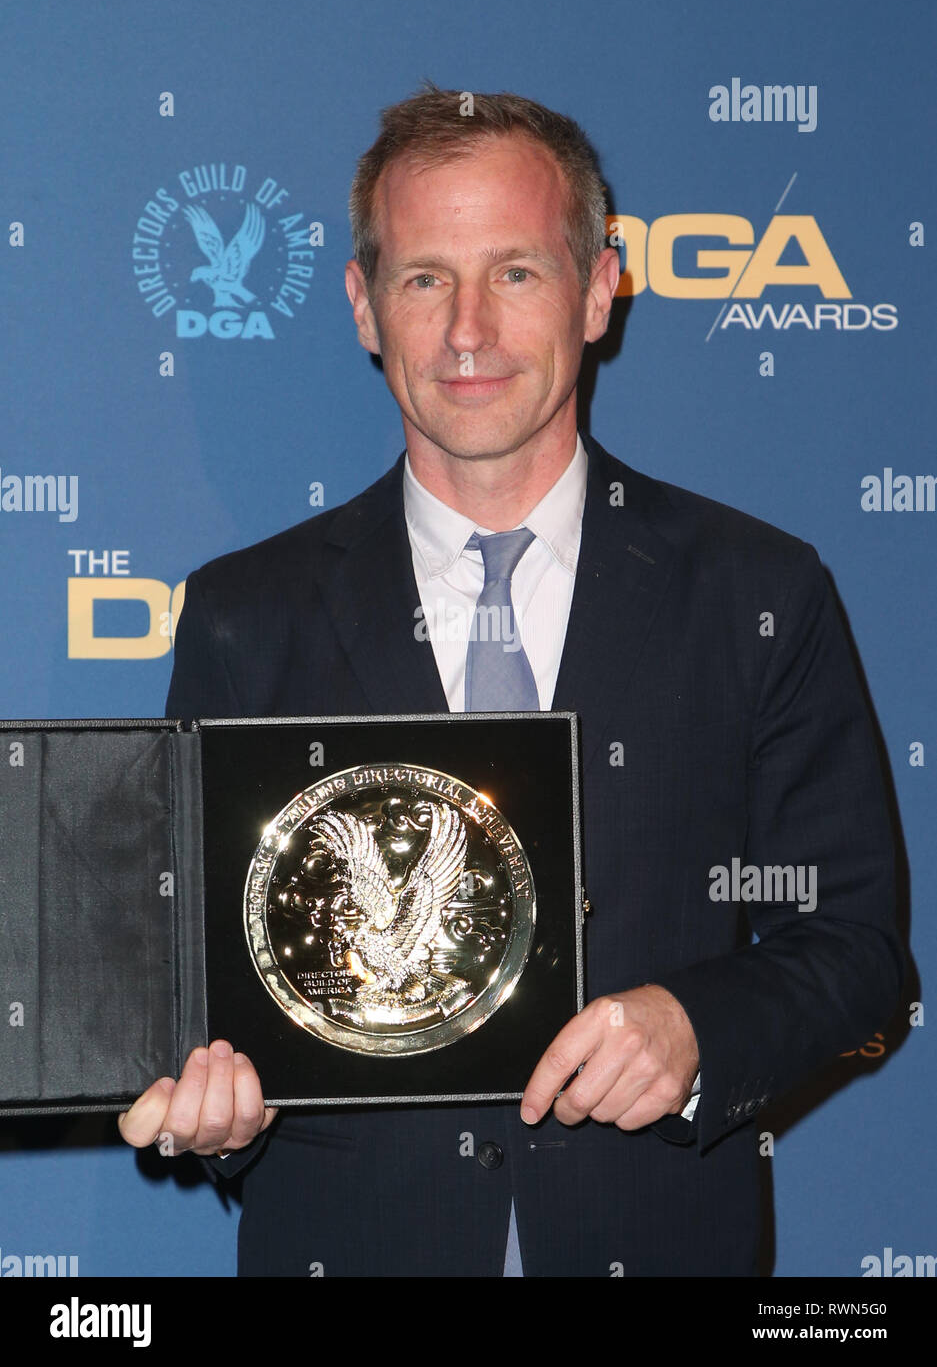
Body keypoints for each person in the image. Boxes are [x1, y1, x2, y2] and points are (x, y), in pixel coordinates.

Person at [119, 87, 903, 1276]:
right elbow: (188, 984)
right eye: (426, 278)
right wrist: (219, 1105)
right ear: (363, 306)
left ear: (598, 290)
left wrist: (695, 1027)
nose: (467, 332)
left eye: (517, 274)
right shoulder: (243, 616)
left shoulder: (758, 592)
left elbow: (854, 947)